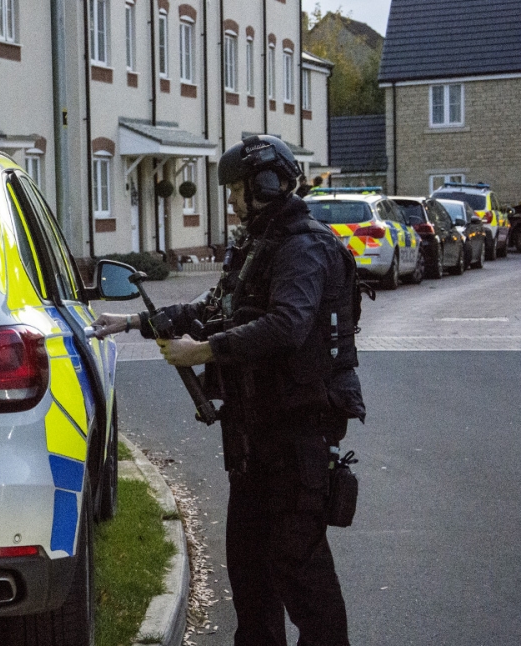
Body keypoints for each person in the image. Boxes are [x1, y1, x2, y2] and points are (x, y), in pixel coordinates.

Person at [92, 134, 364, 646]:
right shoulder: (257, 245)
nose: (233, 201)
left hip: (295, 439)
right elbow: (212, 308)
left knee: (303, 581)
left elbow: (288, 324)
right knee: (250, 577)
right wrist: (132, 322)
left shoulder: (304, 248)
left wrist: (203, 352)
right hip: (253, 441)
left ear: (265, 184)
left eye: (237, 189)